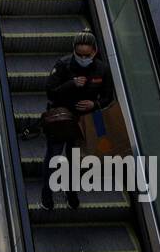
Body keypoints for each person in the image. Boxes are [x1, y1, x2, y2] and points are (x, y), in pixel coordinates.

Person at [39, 30, 115, 211]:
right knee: (53, 156)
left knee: (75, 159)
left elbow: (107, 97)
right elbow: (50, 91)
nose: (82, 58)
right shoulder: (63, 65)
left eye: (86, 55)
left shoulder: (102, 69)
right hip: (61, 119)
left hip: (83, 122)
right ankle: (46, 195)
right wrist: (71, 84)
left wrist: (94, 104)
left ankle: (71, 192)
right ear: (73, 51)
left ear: (94, 52)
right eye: (78, 54)